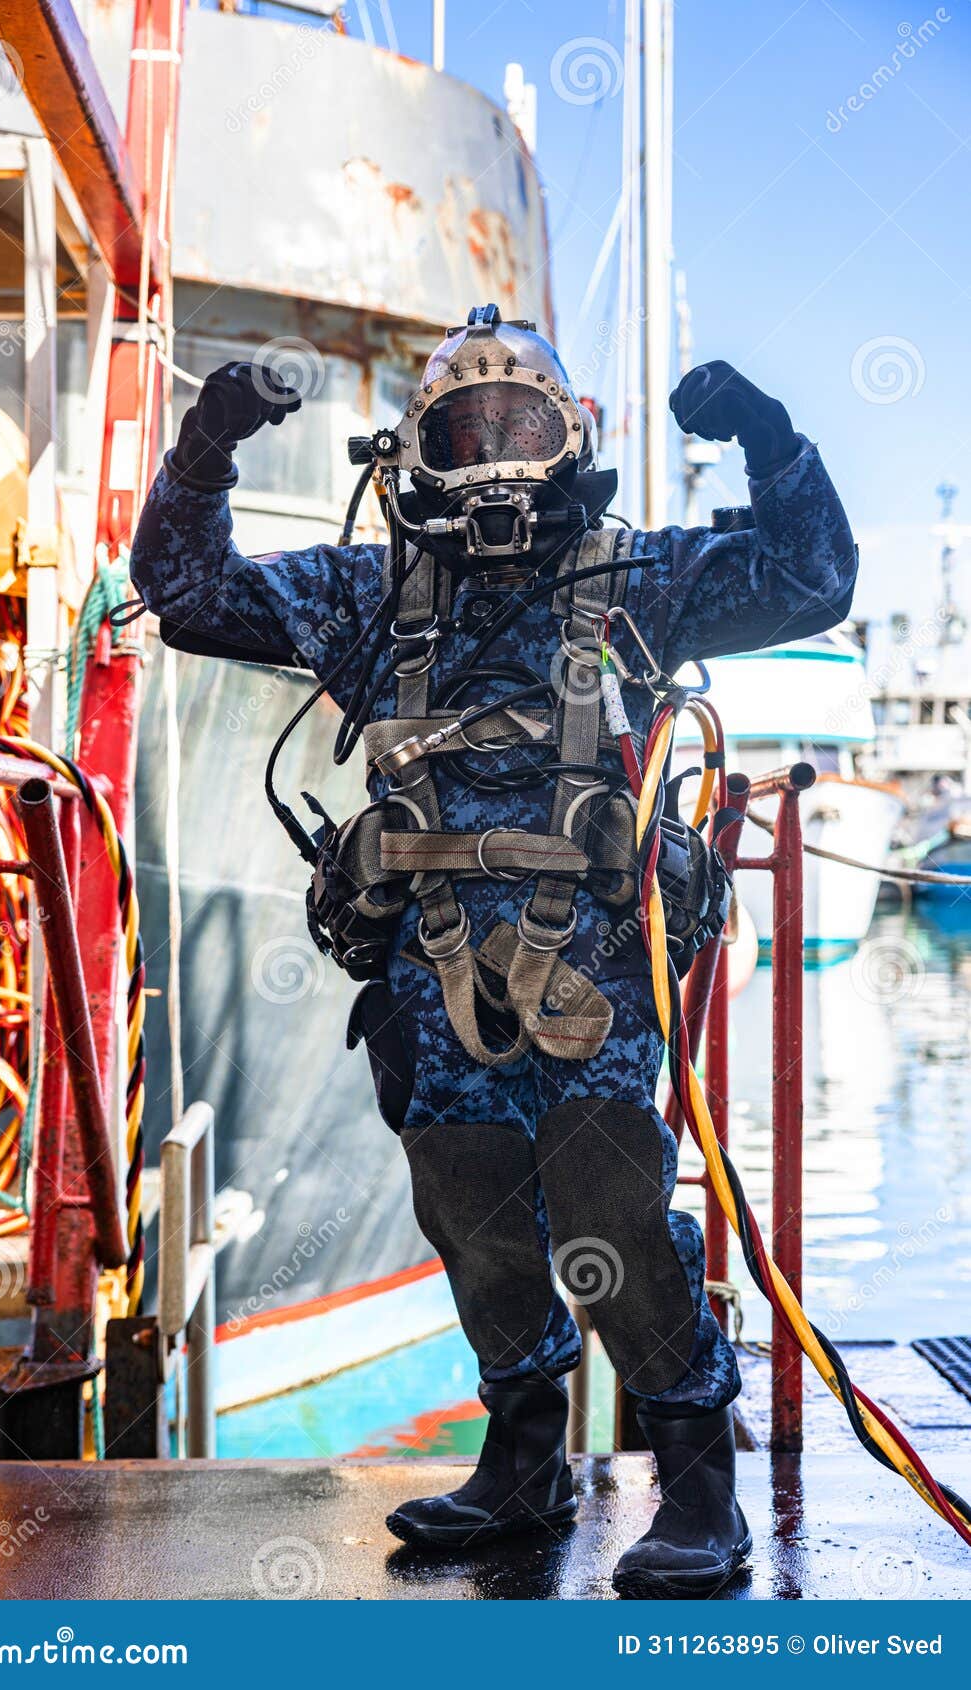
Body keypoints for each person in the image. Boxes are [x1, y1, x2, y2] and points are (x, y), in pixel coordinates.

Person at [130, 307, 856, 1595]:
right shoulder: (374, 589)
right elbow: (188, 599)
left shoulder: (633, 577)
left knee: (606, 1207)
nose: (497, 450)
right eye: (467, 427)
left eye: (523, 422)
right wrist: (205, 450)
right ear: (420, 448)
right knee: (468, 1204)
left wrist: (768, 438)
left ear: (569, 436)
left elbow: (814, 580)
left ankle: (698, 1480)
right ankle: (523, 1463)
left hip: (594, 964)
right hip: (432, 956)